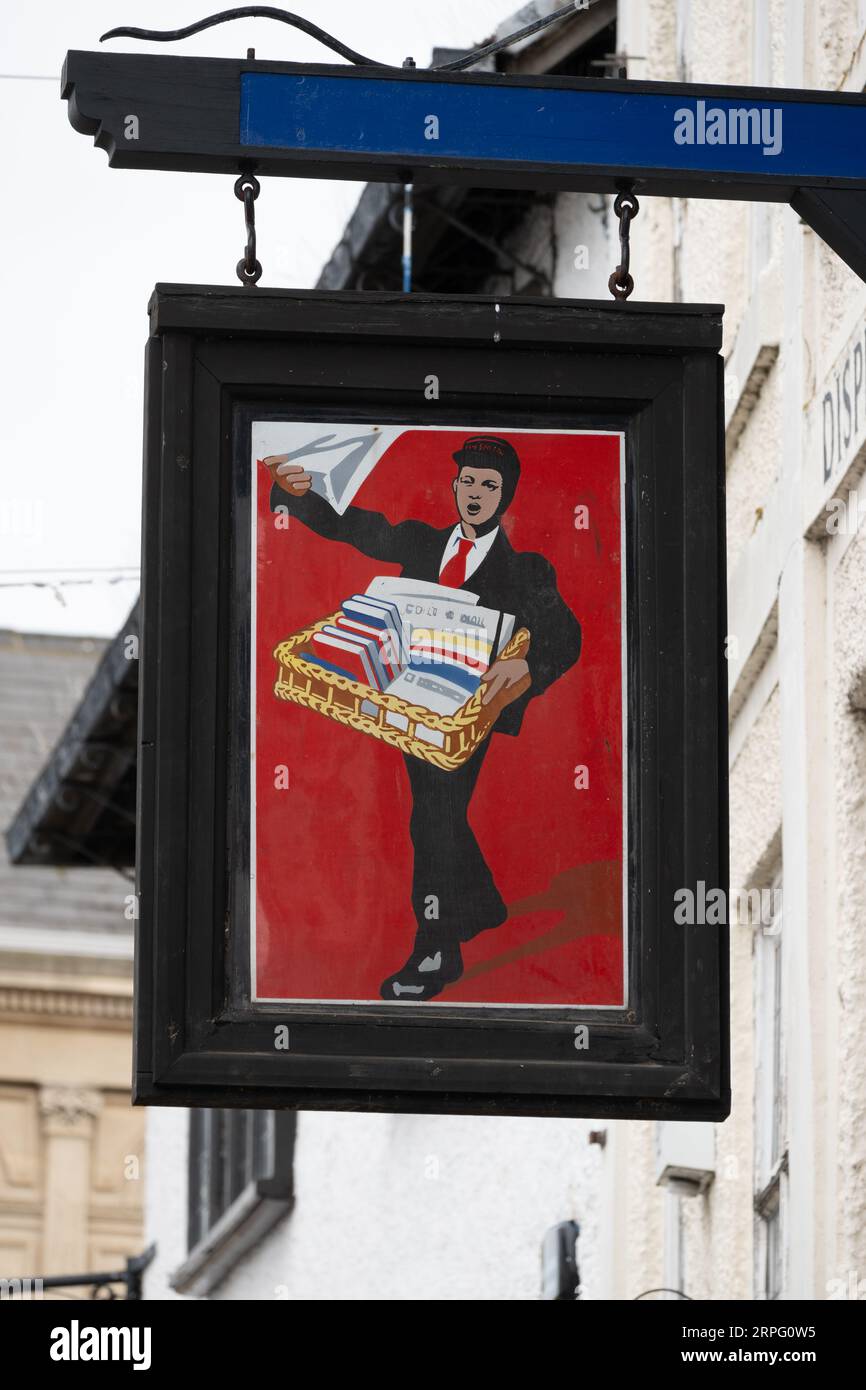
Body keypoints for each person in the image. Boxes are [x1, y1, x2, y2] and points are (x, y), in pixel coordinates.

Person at [265, 435, 581, 1000]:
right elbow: (357, 528)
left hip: (469, 708)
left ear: (505, 495)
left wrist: (526, 669)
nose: (476, 494)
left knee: (432, 818)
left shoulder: (526, 569)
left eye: (489, 486)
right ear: (454, 486)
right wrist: (296, 497)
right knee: (438, 813)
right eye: (468, 483)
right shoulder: (422, 542)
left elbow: (566, 635)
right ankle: (480, 903)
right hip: (406, 699)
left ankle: (436, 949)